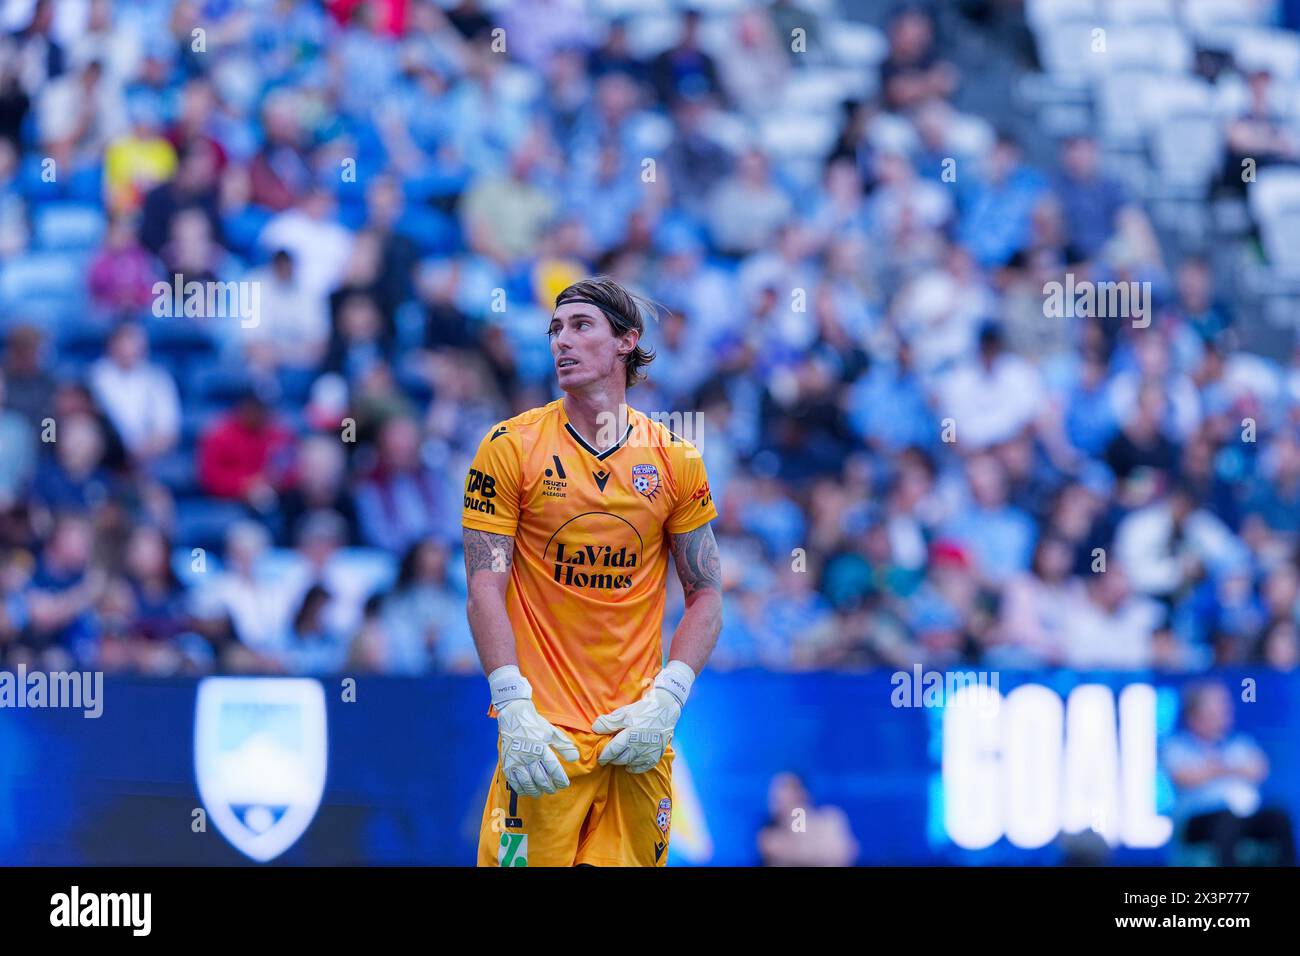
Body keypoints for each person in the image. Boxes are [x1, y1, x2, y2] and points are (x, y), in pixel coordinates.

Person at [463, 276, 722, 867]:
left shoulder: (674, 460)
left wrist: (668, 700)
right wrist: (512, 705)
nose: (562, 341)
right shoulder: (509, 447)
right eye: (555, 329)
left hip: (636, 739)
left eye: (581, 326)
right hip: (544, 741)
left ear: (627, 341)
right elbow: (483, 586)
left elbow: (707, 594)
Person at [1163, 682, 1296, 865]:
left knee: (1277, 817)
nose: (1225, 711)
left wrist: (1214, 769)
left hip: (1244, 818)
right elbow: (1185, 777)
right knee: (1227, 820)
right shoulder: (1177, 746)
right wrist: (1231, 768)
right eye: (1217, 706)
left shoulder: (1240, 743)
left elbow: (1259, 770)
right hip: (1199, 821)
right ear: (1195, 715)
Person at [757, 772, 858, 866]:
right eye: (776, 794)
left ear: (804, 793)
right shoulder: (769, 832)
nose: (782, 797)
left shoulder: (829, 818)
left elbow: (846, 854)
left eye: (790, 789)